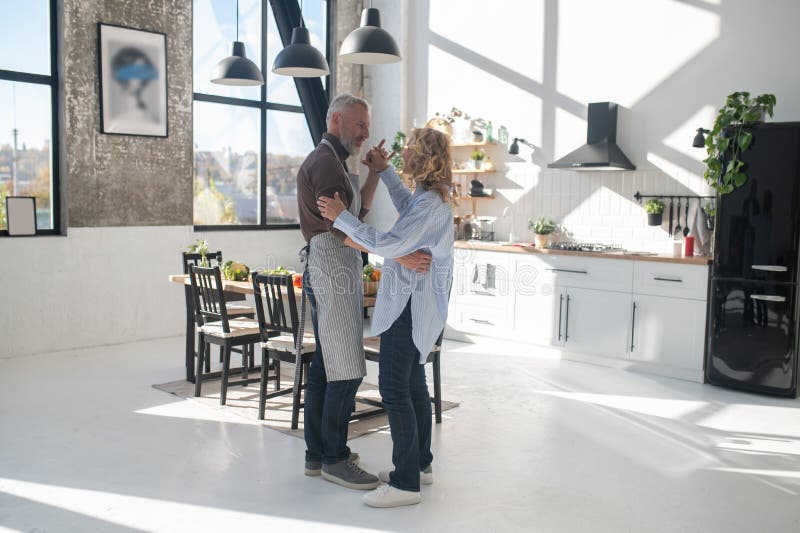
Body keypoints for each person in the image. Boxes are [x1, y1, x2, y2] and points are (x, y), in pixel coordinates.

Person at [296, 93, 432, 491]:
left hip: (338, 263)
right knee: (347, 369)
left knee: (327, 364)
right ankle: (334, 458)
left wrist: (375, 173)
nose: (366, 133)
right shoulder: (324, 163)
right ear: (337, 120)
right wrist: (400, 256)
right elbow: (343, 230)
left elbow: (359, 216)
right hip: (333, 261)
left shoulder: (335, 161)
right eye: (360, 125)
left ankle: (316, 454)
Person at [317, 127, 455, 507]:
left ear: (423, 157)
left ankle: (405, 483)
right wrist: (384, 171)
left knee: (395, 388)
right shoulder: (429, 199)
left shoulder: (430, 206)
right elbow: (404, 203)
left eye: (408, 149)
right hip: (417, 305)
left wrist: (343, 217)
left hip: (411, 306)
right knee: (412, 386)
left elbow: (389, 244)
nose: (403, 152)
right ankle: (420, 466)